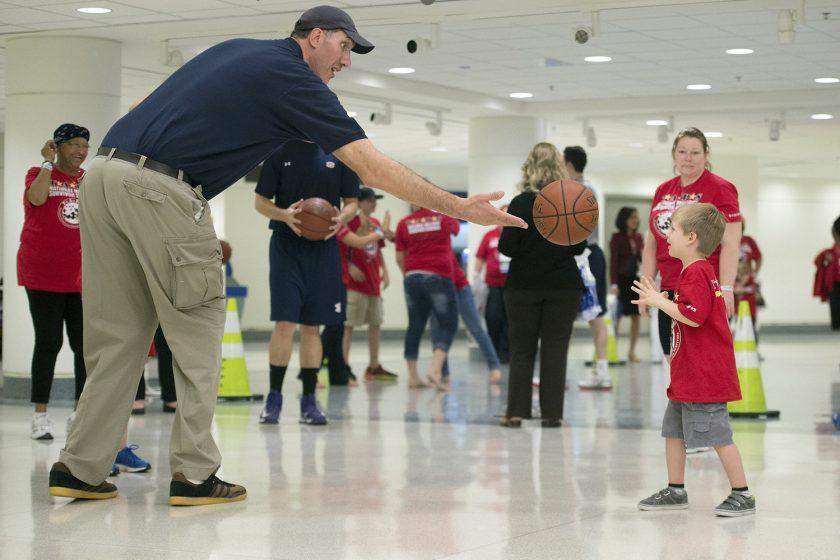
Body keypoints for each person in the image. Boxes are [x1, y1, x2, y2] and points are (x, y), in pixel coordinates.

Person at [51, 5, 521, 506]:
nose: (347, 60)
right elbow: (370, 167)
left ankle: (79, 467)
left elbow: (148, 100)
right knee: (199, 330)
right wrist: (458, 207)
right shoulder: (295, 79)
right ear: (315, 36)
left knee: (116, 337)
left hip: (102, 175)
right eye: (344, 46)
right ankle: (193, 475)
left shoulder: (238, 50)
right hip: (162, 188)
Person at [634, 203, 755, 517]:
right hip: (688, 376)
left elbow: (693, 317)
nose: (666, 236)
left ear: (691, 237)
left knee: (717, 435)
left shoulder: (696, 273)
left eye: (671, 229)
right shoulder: (694, 271)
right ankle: (675, 490)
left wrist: (660, 301)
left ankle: (742, 493)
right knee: (673, 431)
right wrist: (662, 298)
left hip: (704, 378)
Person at [255, 141, 362, 425]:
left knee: (313, 327)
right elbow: (260, 202)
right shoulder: (279, 152)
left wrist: (342, 218)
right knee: (285, 324)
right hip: (286, 246)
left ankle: (309, 399)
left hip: (323, 248)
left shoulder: (339, 155)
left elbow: (352, 202)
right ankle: (274, 397)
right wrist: (284, 215)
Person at [498, 143, 586, 428]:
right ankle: (552, 414)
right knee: (555, 349)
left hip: (523, 286)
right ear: (559, 167)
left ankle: (515, 412)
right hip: (563, 286)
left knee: (521, 349)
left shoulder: (520, 203)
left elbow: (507, 249)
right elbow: (579, 247)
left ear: (529, 167)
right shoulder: (567, 202)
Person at [640, 127, 741, 357]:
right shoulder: (663, 190)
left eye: (695, 152)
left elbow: (731, 244)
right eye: (683, 151)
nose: (688, 158)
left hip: (701, 287)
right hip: (668, 289)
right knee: (672, 360)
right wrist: (647, 287)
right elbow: (652, 244)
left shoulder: (720, 189)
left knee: (698, 363)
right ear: (674, 154)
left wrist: (726, 288)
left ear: (706, 154)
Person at [19, 124, 88, 440]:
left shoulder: (86, 179)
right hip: (43, 274)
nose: (80, 150)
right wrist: (47, 164)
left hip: (82, 278)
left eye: (84, 145)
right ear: (57, 147)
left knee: (83, 347)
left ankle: (80, 414)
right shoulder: (38, 173)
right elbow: (35, 199)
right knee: (48, 343)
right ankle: (40, 416)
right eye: (73, 144)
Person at [395, 205, 460, 389]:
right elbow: (456, 228)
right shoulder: (443, 217)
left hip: (412, 276)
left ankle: (413, 377)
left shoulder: (403, 223)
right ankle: (435, 368)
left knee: (415, 326)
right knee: (448, 322)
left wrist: (410, 274)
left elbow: (400, 257)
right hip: (437, 275)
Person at [336, 187, 398, 382]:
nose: (373, 204)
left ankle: (374, 366)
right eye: (369, 200)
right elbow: (342, 247)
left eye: (374, 200)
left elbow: (377, 250)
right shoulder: (350, 222)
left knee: (375, 324)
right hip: (354, 284)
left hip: (372, 282)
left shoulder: (376, 224)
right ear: (359, 202)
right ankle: (343, 365)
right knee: (349, 325)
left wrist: (385, 271)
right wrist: (350, 266)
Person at [564, 146, 611, 390]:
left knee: (595, 315)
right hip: (578, 256)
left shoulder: (584, 191)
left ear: (569, 165)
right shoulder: (573, 190)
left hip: (587, 256)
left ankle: (602, 370)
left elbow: (582, 228)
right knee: (566, 316)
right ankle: (558, 371)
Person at [436, 252, 503, 387]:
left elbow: (454, 229)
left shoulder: (441, 240)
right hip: (438, 289)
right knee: (438, 330)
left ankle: (494, 366)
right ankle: (444, 374)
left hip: (459, 287)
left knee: (476, 328)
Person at [609, 207, 644, 362]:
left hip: (635, 280)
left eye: (636, 217)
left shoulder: (639, 237)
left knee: (636, 316)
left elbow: (643, 259)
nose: (635, 220)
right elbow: (613, 263)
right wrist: (614, 284)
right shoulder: (616, 238)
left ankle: (631, 352)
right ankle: (612, 350)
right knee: (617, 317)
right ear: (624, 220)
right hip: (622, 280)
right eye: (632, 217)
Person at [475, 219, 509, 364]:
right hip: (493, 284)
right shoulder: (490, 235)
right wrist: (476, 276)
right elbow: (480, 257)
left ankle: (507, 352)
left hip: (511, 286)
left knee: (509, 319)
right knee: (493, 316)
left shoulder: (516, 235)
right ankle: (493, 351)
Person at [813, 215, 840, 330]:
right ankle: (836, 328)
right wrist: (825, 259)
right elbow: (817, 262)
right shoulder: (828, 253)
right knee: (835, 306)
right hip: (835, 285)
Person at [734, 219, 763, 327]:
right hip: (732, 283)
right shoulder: (726, 241)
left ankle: (752, 337)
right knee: (730, 314)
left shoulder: (748, 241)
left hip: (748, 285)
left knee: (750, 315)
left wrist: (755, 273)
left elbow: (759, 257)